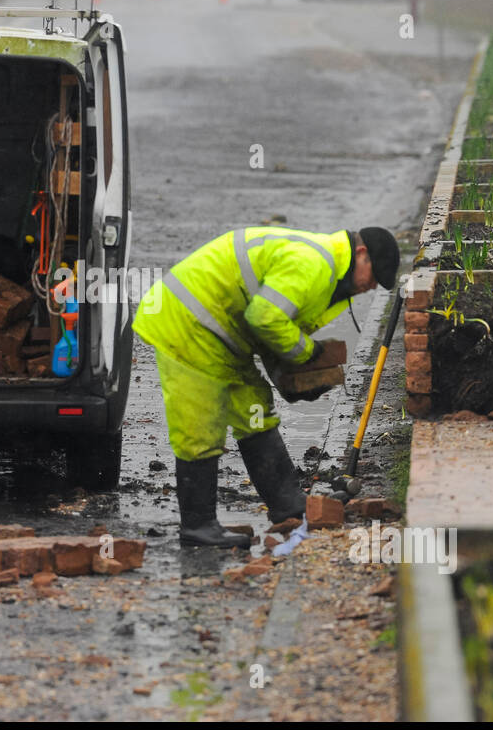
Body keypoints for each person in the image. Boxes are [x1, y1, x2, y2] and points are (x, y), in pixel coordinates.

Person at [133, 226, 400, 547]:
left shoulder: (329, 279)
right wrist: (307, 354)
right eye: (373, 277)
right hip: (188, 323)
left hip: (226, 335)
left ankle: (287, 504)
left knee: (255, 411)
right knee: (199, 426)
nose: (370, 287)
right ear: (360, 254)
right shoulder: (313, 264)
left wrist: (288, 375)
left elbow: (272, 330)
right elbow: (265, 318)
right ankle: (198, 526)